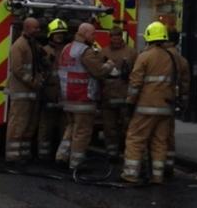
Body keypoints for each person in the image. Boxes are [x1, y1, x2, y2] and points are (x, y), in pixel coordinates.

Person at [122, 21, 178, 185]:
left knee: (135, 139)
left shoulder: (144, 56)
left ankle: (130, 174)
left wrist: (129, 103)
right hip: (165, 107)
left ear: (148, 37)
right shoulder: (170, 57)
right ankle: (157, 176)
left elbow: (135, 83)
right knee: (160, 142)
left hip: (145, 107)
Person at [57, 22, 117, 169]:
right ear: (84, 33)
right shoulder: (85, 51)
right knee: (82, 132)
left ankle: (62, 155)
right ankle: (76, 163)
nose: (94, 36)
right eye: (92, 34)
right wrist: (109, 65)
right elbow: (98, 71)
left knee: (71, 128)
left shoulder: (67, 48)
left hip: (68, 98)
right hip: (83, 98)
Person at [5, 17, 44, 164]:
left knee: (29, 124)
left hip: (31, 93)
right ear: (27, 27)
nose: (38, 30)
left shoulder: (32, 44)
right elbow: (17, 68)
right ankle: (13, 155)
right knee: (18, 123)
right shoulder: (19, 45)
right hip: (21, 91)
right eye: (35, 28)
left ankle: (24, 152)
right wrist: (32, 81)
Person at [99, 25, 137, 160]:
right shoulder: (103, 53)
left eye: (118, 36)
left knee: (127, 127)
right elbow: (99, 74)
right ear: (110, 37)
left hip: (124, 95)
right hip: (108, 96)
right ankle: (112, 153)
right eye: (113, 37)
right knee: (109, 128)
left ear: (122, 37)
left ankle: (127, 152)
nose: (115, 39)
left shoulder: (131, 53)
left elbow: (136, 75)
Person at [37, 19, 69, 163]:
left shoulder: (67, 50)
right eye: (57, 34)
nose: (59, 36)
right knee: (46, 127)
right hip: (49, 93)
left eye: (62, 34)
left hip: (64, 94)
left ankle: (62, 156)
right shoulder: (44, 50)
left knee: (65, 126)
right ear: (51, 35)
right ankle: (43, 155)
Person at [162, 27, 190, 178]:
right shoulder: (182, 60)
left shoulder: (159, 56)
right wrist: (184, 101)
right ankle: (168, 163)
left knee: (156, 135)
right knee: (169, 134)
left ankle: (154, 165)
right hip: (171, 101)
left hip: (154, 101)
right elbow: (185, 83)